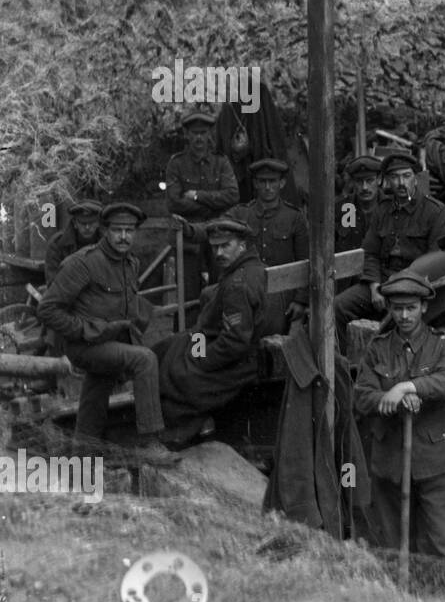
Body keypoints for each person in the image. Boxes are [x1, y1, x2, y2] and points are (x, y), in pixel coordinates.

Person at [35, 202, 176, 466]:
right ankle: (149, 443)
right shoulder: (84, 263)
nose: (124, 237)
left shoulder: (129, 263)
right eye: (117, 230)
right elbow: (47, 309)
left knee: (95, 393)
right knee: (144, 360)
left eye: (130, 231)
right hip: (84, 346)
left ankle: (81, 457)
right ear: (105, 231)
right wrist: (84, 330)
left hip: (109, 343)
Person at [353, 269, 445, 559]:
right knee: (393, 545)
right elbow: (362, 396)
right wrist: (390, 400)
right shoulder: (378, 348)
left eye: (411, 308)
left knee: (442, 544)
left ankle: (439, 601)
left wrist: (406, 387)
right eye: (398, 309)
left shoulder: (444, 343)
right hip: (391, 458)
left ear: (424, 307)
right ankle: (401, 599)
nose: (404, 316)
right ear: (389, 308)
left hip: (435, 459)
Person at [154, 217, 272, 428]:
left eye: (226, 246)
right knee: (167, 349)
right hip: (211, 339)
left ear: (242, 246)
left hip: (237, 361)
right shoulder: (251, 266)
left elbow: (234, 342)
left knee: (177, 374)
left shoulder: (237, 283)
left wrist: (202, 359)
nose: (219, 253)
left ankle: (191, 427)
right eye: (215, 247)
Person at [174, 158, 308, 334]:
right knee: (209, 297)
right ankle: (202, 352)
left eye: (272, 181)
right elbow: (214, 226)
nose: (268, 187)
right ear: (255, 184)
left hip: (279, 294)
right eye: (262, 181)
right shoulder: (241, 213)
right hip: (244, 289)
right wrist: (190, 229)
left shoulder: (294, 218)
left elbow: (305, 261)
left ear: (281, 183)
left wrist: (300, 300)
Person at [334, 151, 445, 331]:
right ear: (387, 181)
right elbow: (370, 253)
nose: (401, 183)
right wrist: (373, 285)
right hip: (382, 280)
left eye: (406, 176)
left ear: (416, 178)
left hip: (417, 282)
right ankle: (345, 359)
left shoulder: (434, 211)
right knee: (338, 307)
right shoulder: (383, 209)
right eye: (395, 177)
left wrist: (403, 285)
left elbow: (436, 260)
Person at [165, 110, 239, 312]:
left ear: (210, 135)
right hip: (187, 236)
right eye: (194, 133)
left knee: (220, 288)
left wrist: (198, 195)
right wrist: (215, 202)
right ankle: (187, 337)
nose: (199, 138)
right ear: (186, 135)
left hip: (217, 234)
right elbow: (174, 203)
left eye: (203, 133)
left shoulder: (220, 162)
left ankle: (216, 335)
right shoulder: (176, 164)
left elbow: (232, 195)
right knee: (187, 295)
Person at [43, 199, 102, 283]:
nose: (87, 227)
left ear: (98, 223)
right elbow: (53, 283)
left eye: (91, 223)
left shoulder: (107, 241)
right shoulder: (57, 244)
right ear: (75, 223)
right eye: (83, 223)